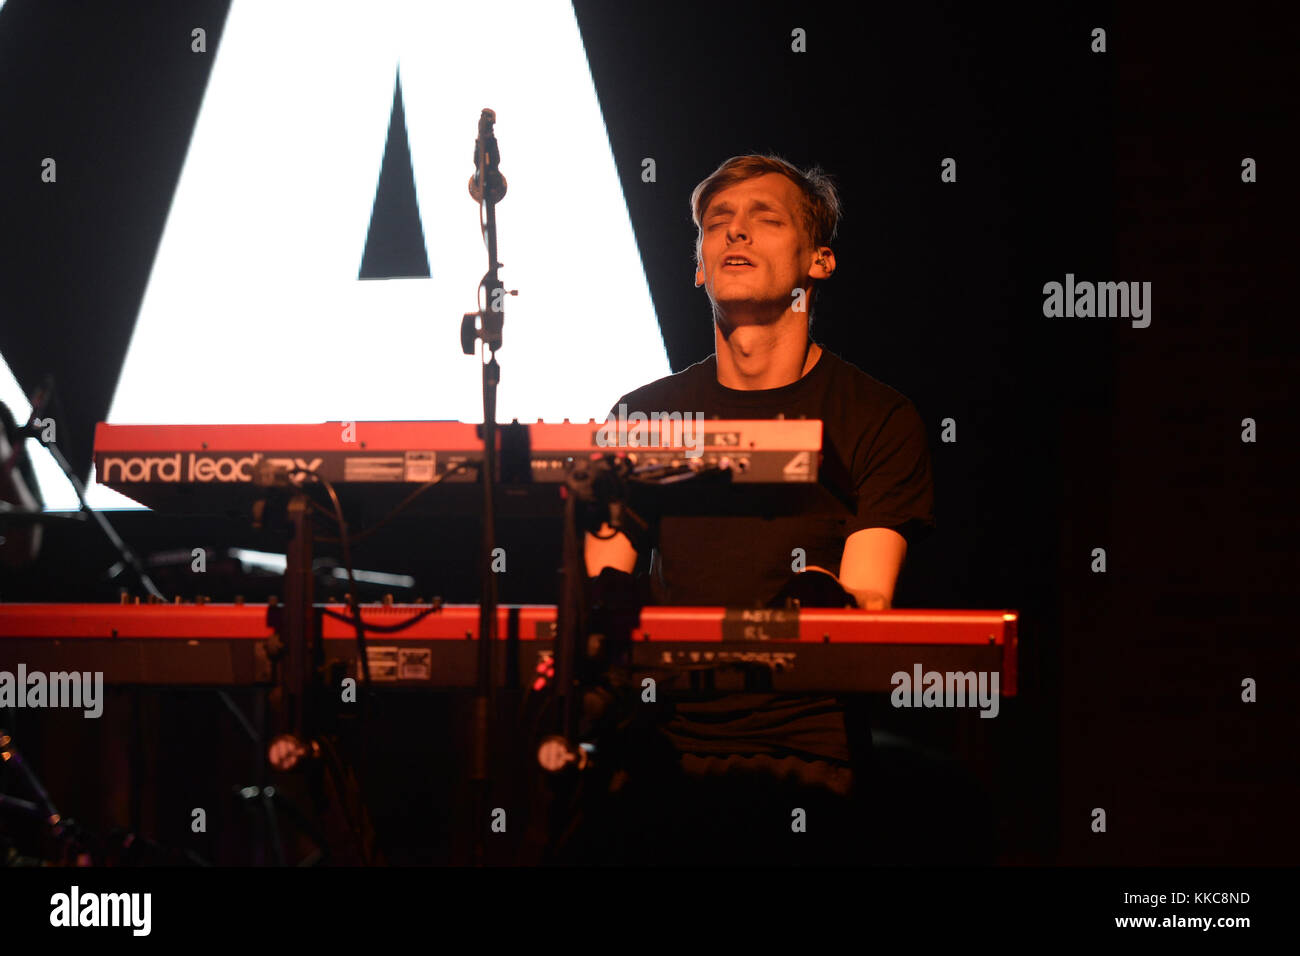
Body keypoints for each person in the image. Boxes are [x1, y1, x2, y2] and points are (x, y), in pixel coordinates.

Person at [566, 154, 939, 865]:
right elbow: (602, 594)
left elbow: (865, 604)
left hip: (805, 754)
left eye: (765, 220)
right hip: (659, 749)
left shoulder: (877, 416)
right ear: (700, 267)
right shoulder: (642, 415)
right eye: (718, 224)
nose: (735, 234)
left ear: (819, 261)